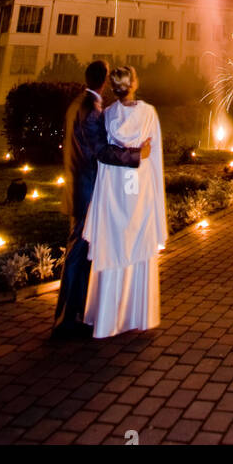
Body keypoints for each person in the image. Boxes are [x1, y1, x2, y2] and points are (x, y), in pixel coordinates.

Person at [51, 60, 150, 339]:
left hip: (77, 187)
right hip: (86, 191)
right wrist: (135, 155)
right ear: (104, 81)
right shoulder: (91, 110)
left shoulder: (76, 104)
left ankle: (76, 316)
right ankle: (64, 322)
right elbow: (100, 151)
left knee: (81, 255)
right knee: (77, 255)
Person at [82, 64, 167, 338]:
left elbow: (105, 154)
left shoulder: (106, 115)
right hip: (139, 188)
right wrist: (156, 195)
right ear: (135, 84)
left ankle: (108, 317)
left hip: (114, 189)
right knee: (138, 243)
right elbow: (154, 159)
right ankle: (137, 313)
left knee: (114, 243)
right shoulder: (149, 113)